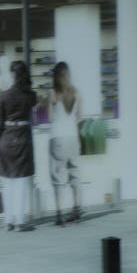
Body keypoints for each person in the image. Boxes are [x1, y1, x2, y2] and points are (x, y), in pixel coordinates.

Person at [0, 60, 37, 232]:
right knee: (21, 181)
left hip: (6, 139)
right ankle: (20, 222)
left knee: (7, 181)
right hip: (23, 139)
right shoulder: (31, 96)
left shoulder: (3, 96)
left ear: (12, 75)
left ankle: (8, 221)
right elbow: (33, 109)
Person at [48, 61, 83, 225]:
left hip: (58, 138)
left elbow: (50, 118)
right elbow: (80, 117)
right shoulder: (77, 93)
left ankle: (59, 214)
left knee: (58, 176)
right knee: (74, 174)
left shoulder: (53, 93)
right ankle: (76, 210)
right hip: (73, 137)